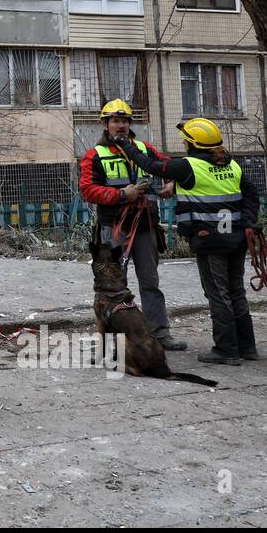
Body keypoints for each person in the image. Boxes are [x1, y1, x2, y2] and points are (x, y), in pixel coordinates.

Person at [114, 118, 260, 365]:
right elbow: (252, 194)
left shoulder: (188, 166)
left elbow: (149, 165)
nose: (183, 144)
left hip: (210, 241)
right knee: (236, 292)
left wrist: (125, 144)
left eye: (185, 141)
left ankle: (226, 349)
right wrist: (247, 221)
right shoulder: (232, 164)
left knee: (218, 294)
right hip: (236, 239)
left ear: (193, 144)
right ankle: (247, 347)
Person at [79, 99, 185, 350]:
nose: (121, 126)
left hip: (145, 225)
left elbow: (170, 167)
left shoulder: (144, 149)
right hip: (113, 227)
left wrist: (172, 183)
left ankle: (159, 335)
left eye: (125, 121)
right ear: (105, 124)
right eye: (116, 121)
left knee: (150, 282)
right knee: (113, 286)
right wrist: (121, 195)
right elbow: (87, 190)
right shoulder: (95, 155)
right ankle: (114, 342)